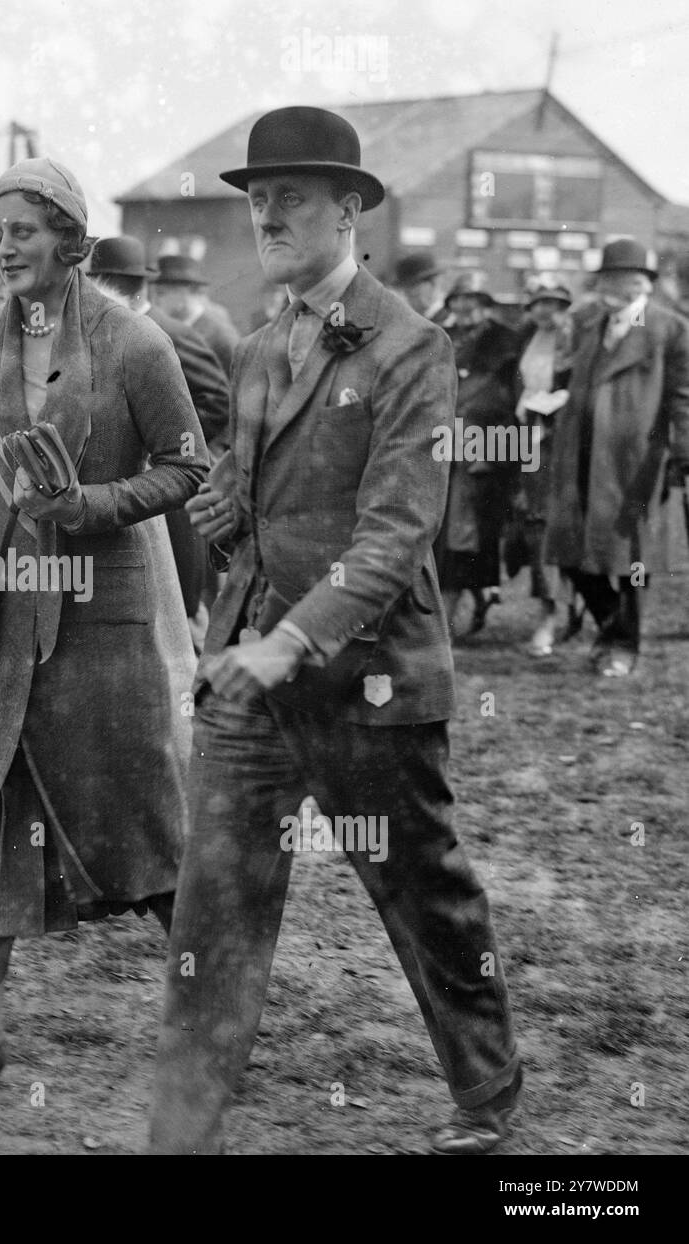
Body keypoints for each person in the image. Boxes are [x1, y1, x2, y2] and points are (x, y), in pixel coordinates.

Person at [149, 106, 521, 1155]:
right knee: (214, 902)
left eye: (291, 198)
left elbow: (398, 528)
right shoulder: (261, 343)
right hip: (251, 677)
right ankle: (178, 1128)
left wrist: (289, 639)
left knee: (421, 892)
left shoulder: (414, 346)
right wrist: (221, 514)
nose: (266, 214)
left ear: (349, 207)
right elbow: (247, 497)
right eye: (257, 199)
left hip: (369, 680)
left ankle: (486, 1096)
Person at [0, 158, 206, 1102]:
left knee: (147, 833)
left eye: (22, 230)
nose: (4, 247)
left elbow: (190, 468)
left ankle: (210, 1014)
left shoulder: (134, 342)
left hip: (102, 626)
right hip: (3, 613)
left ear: (70, 238)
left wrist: (88, 503)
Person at [546, 239, 689, 678]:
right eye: (604, 277)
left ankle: (624, 644)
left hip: (635, 460)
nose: (608, 286)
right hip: (580, 453)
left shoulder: (670, 329)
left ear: (642, 283)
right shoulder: (590, 324)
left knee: (632, 558)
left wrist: (682, 452)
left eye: (620, 278)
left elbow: (684, 397)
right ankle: (612, 628)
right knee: (570, 550)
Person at [87, 235, 229, 645]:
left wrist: (165, 440)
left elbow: (218, 399)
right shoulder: (117, 328)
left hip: (173, 479)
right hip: (147, 485)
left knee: (182, 608)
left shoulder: (165, 332)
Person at [436, 270, 522, 635]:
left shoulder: (507, 342)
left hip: (487, 447)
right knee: (445, 531)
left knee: (470, 531)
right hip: (442, 445)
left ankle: (455, 609)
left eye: (474, 300)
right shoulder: (440, 338)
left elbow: (516, 399)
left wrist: (512, 456)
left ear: (487, 305)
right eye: (458, 300)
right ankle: (472, 595)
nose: (465, 308)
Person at [510, 274, 574, 656]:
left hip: (560, 440)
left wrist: (550, 406)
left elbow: (579, 388)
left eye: (554, 303)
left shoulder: (575, 341)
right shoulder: (525, 339)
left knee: (551, 524)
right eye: (539, 303)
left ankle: (554, 616)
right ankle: (548, 610)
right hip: (526, 437)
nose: (546, 310)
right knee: (534, 523)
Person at [151, 254, 241, 375]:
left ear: (183, 292)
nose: (155, 300)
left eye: (161, 293)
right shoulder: (168, 330)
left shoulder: (221, 336)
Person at [391, 252, 443, 319]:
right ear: (409, 288)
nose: (435, 290)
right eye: (431, 282)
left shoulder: (438, 317)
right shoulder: (396, 318)